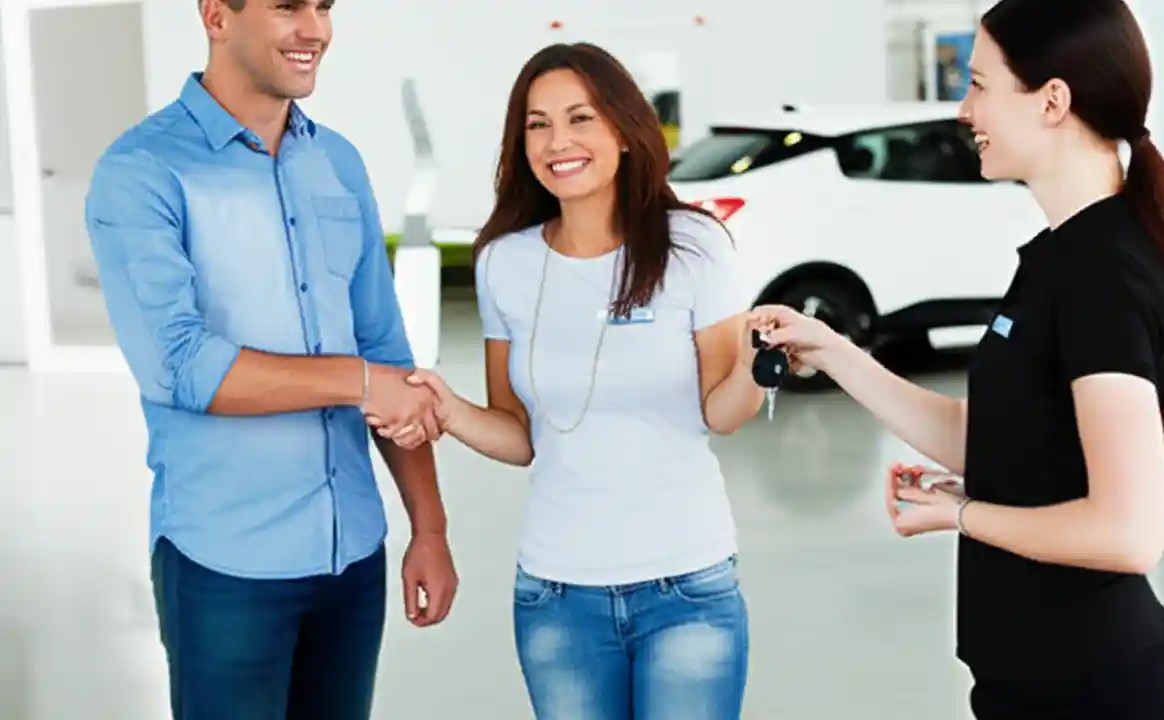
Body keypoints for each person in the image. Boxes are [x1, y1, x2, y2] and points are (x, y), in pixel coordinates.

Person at [751, 1, 1164, 718]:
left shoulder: (1102, 272)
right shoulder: (1063, 255)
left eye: (979, 84)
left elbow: (1128, 532)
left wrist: (962, 513)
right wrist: (835, 353)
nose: (964, 110)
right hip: (1030, 674)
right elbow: (990, 431)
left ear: (1052, 100)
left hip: (1082, 682)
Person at [83, 2, 457, 718]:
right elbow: (180, 365)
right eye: (288, 5)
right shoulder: (142, 170)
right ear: (217, 15)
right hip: (226, 564)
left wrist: (429, 528)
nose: (314, 28)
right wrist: (358, 381)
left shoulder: (337, 161)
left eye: (323, 6)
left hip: (353, 558)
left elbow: (384, 347)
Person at [409, 43, 763, 719]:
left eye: (580, 118)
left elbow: (722, 410)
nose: (557, 141)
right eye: (537, 124)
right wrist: (446, 407)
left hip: (686, 586)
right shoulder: (503, 263)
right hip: (556, 597)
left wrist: (757, 365)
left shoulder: (692, 244)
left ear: (625, 132)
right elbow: (519, 434)